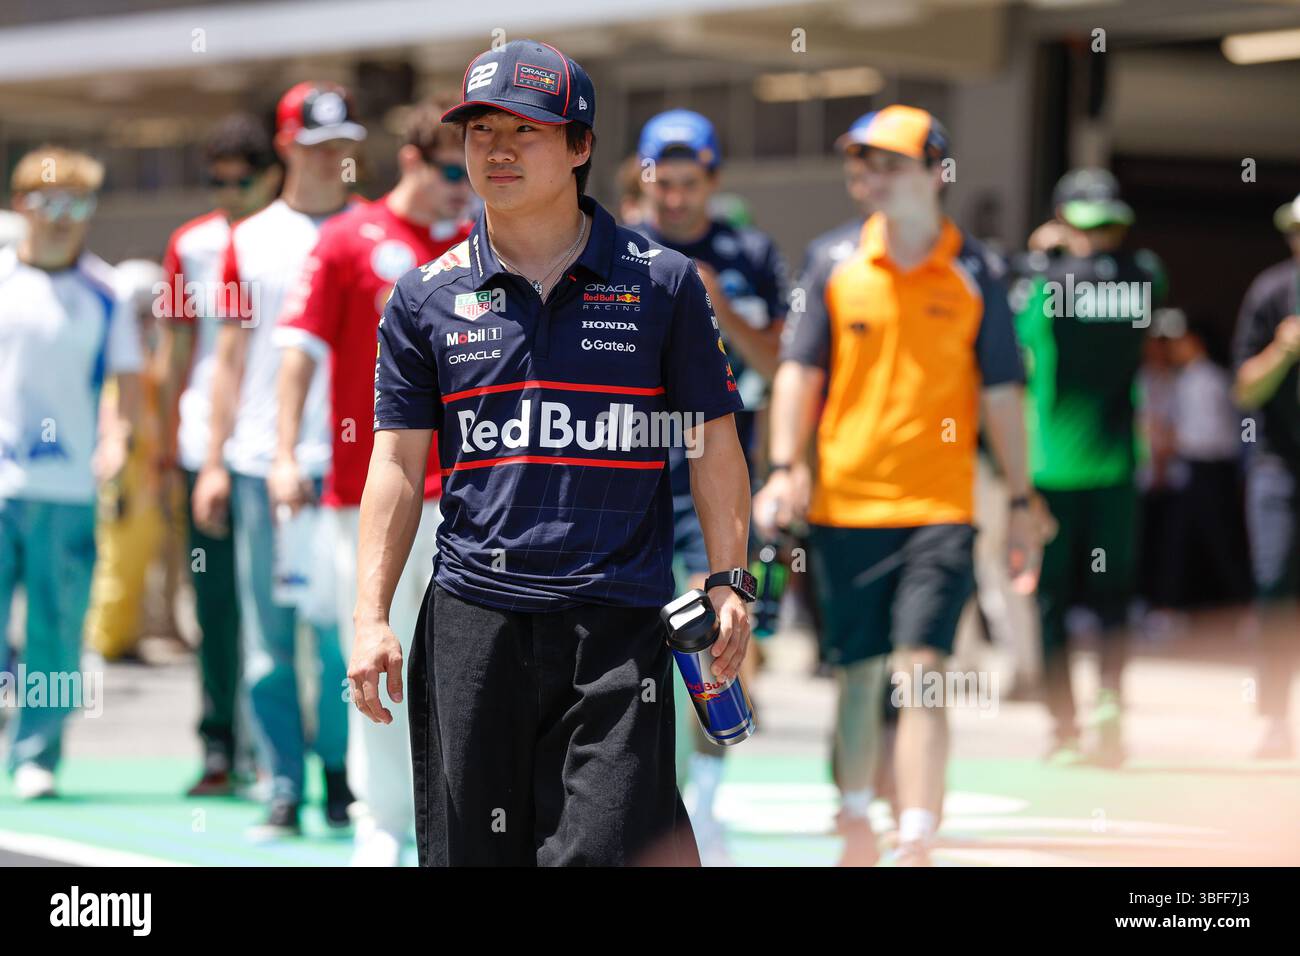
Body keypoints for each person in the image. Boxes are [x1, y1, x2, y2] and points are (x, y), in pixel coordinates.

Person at [349, 39, 751, 867]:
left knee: (603, 852)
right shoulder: (426, 295)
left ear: (579, 146)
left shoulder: (664, 284)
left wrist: (728, 576)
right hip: (472, 623)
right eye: (479, 129)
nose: (496, 148)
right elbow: (393, 465)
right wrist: (369, 616)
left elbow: (713, 436)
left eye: (524, 130)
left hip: (617, 627)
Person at [754, 105, 1042, 866]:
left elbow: (1003, 395)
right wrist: (788, 467)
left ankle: (916, 835)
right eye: (860, 162)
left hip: (940, 508)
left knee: (924, 672)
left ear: (933, 171)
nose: (867, 176)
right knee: (858, 676)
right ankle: (854, 813)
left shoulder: (976, 270)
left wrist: (1020, 497)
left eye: (885, 162)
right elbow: (799, 373)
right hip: (846, 505)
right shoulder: (830, 260)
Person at [270, 101, 472, 866]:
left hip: (467, 500)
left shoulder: (479, 243)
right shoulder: (347, 239)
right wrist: (285, 453)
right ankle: (380, 824)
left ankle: (454, 821)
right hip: (368, 491)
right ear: (412, 162)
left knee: (459, 666)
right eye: (453, 171)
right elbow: (298, 354)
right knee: (371, 656)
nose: (466, 187)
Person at [191, 82, 365, 837]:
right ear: (288, 146)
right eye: (318, 144)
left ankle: (339, 775)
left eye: (342, 145)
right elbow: (226, 357)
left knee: (336, 636)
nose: (333, 158)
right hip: (264, 463)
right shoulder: (250, 236)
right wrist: (214, 461)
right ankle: (283, 785)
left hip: (351, 463)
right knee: (267, 637)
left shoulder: (370, 231)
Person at [634, 108, 787, 864]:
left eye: (690, 183)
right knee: (626, 641)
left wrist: (714, 304)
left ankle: (709, 796)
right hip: (631, 468)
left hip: (718, 469)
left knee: (714, 628)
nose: (675, 197)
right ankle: (644, 793)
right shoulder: (617, 248)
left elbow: (782, 365)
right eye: (663, 182)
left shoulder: (747, 253)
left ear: (714, 181)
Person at [0, 146, 142, 799]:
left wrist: (117, 441)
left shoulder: (105, 291)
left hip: (66, 491)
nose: (61, 217)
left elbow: (127, 388)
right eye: (49, 202)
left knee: (56, 633)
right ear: (23, 204)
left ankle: (38, 755)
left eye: (76, 204)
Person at [1012, 168, 1166, 768]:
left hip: (1048, 469)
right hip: (1115, 467)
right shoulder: (1147, 275)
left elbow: (1019, 340)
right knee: (1112, 596)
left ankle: (1064, 726)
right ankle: (1108, 709)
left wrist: (1037, 257)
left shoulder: (1041, 281)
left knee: (1049, 603)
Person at [157, 113, 282, 796]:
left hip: (278, 449)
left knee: (284, 609)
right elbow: (175, 347)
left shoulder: (295, 237)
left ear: (270, 175)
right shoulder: (191, 244)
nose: (228, 192)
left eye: (242, 179)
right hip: (202, 446)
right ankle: (218, 746)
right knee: (216, 607)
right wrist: (158, 438)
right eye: (216, 180)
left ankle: (282, 755)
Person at [1232, 191, 1300, 760]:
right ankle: (1274, 717)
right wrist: (1282, 350)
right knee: (1275, 583)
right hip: (1278, 467)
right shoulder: (1270, 292)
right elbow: (1243, 387)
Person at [84, 258, 171, 663]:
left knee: (139, 555)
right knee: (116, 559)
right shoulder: (112, 360)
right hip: (124, 473)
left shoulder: (150, 353)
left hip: (146, 473)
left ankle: (128, 633)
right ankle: (104, 640)